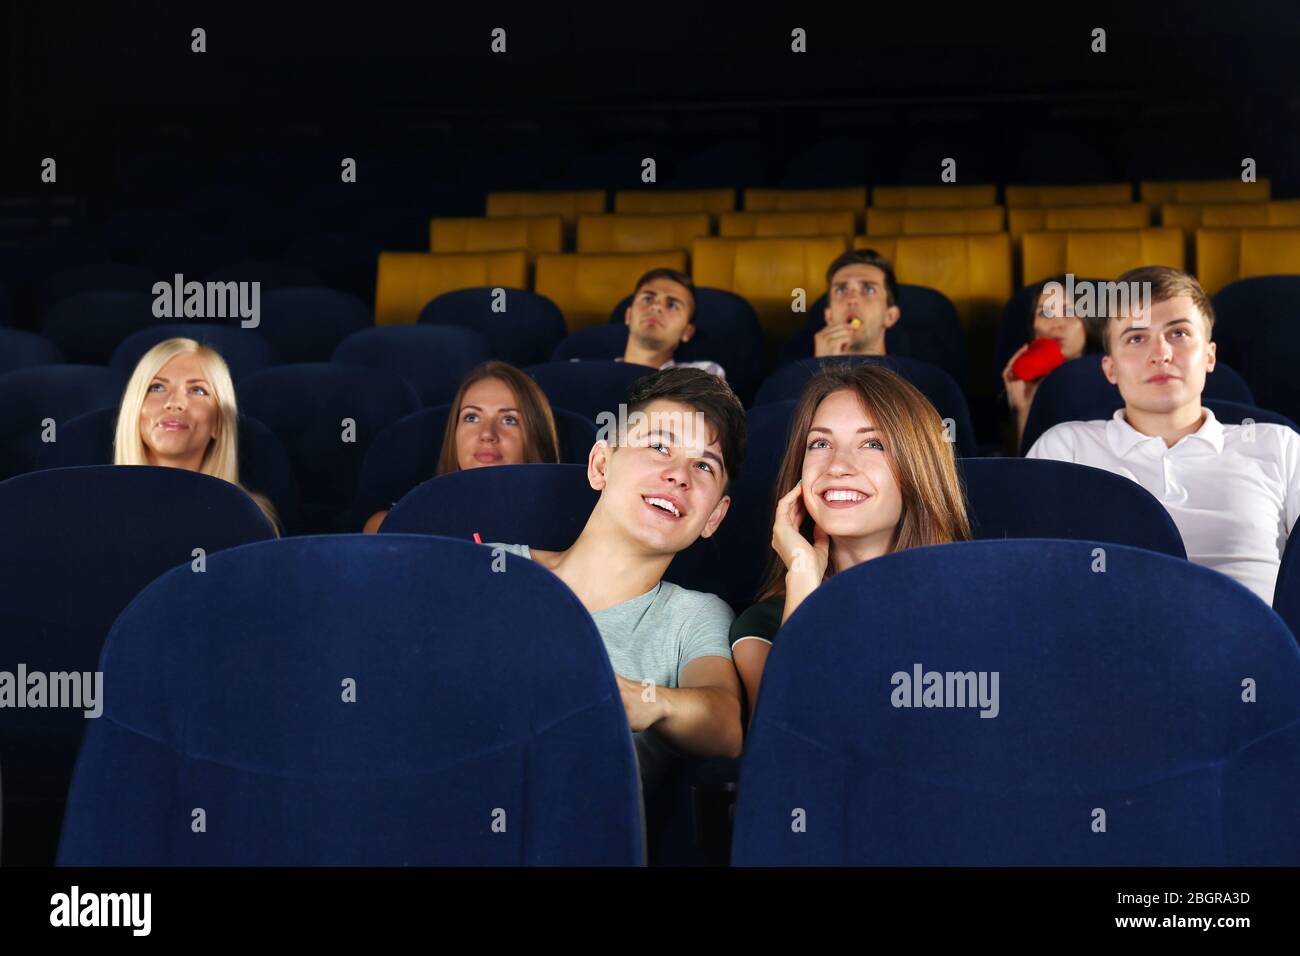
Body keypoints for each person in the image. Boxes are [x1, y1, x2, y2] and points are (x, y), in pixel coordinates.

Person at [489, 367, 746, 792]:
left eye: (703, 465)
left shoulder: (693, 616)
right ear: (601, 465)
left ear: (713, 518)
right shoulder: (489, 567)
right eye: (660, 445)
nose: (680, 475)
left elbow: (724, 725)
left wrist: (646, 701)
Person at [1026, 265, 1300, 605]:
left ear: (1210, 356)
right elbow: (1028, 580)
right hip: (1108, 645)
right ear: (1110, 368)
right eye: (1136, 338)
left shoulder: (1281, 445)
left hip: (1257, 650)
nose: (1161, 354)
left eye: (1179, 333)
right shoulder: (1063, 448)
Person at [730, 363, 971, 725]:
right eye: (820, 443)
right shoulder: (762, 625)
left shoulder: (974, 604)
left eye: (872, 443)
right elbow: (790, 743)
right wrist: (801, 574)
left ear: (919, 469)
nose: (837, 466)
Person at [363, 361, 561, 532]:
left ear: (536, 437)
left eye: (509, 420)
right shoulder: (397, 525)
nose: (486, 434)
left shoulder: (571, 527)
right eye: (472, 417)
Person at [114, 337, 279, 533]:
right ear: (134, 410)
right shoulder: (97, 508)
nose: (175, 403)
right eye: (157, 387)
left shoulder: (248, 516)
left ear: (218, 422)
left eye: (197, 390)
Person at [1001, 276, 1104, 451]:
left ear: (1089, 322)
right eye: (1045, 313)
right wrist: (1024, 409)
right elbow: (1025, 467)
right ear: (1033, 329)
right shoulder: (1019, 387)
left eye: (1070, 312)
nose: (1056, 324)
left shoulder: (1114, 379)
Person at [617, 268, 726, 378]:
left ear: (687, 331)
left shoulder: (703, 375)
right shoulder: (600, 372)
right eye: (647, 298)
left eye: (672, 305)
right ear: (629, 315)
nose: (656, 307)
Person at [812, 248, 902, 358]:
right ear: (828, 316)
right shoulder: (794, 373)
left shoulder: (916, 373)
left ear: (890, 316)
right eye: (841, 290)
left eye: (869, 290)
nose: (852, 299)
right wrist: (820, 366)